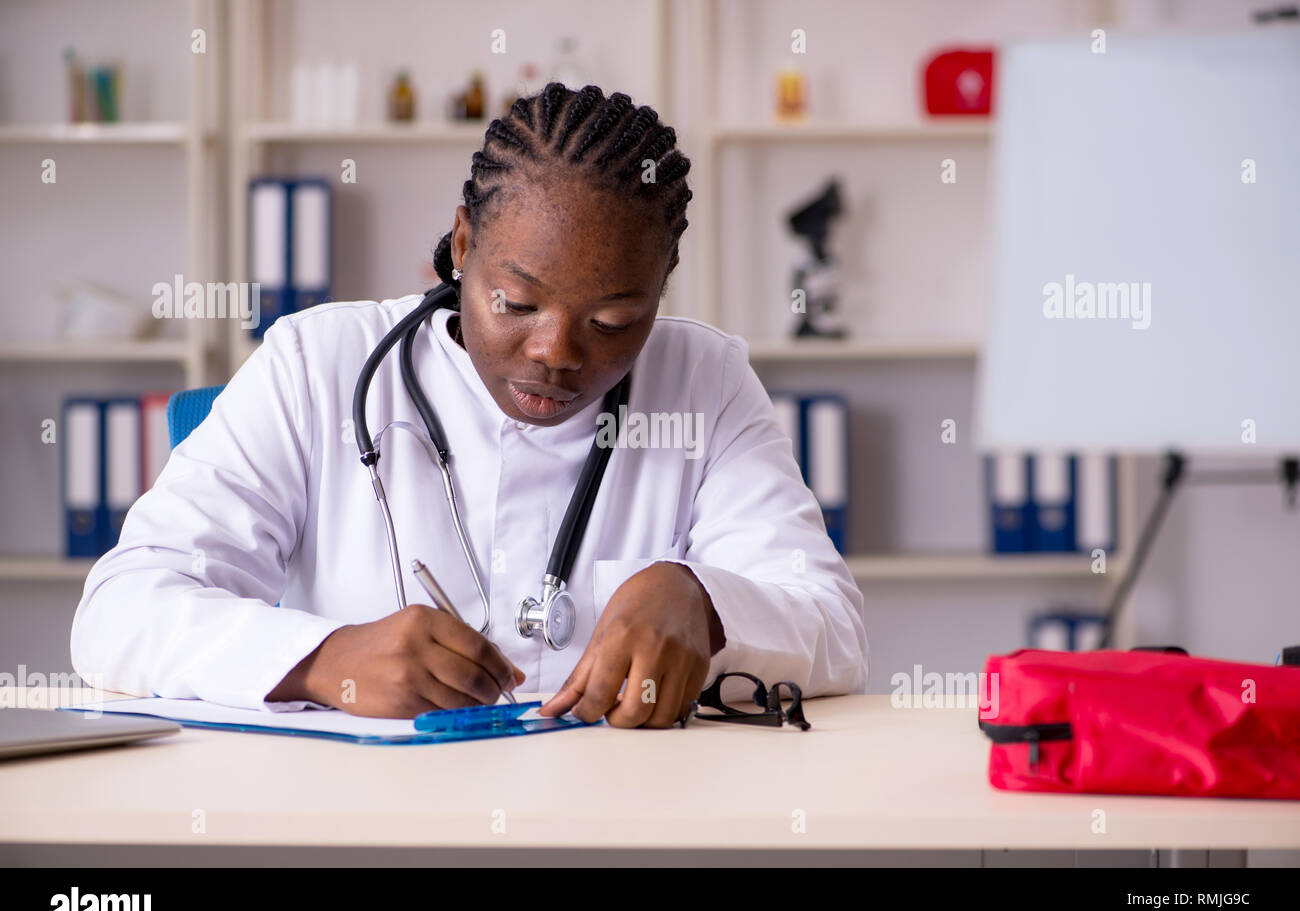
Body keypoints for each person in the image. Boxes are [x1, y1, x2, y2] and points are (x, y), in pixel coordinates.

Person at [71, 83, 868, 729]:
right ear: (460, 245)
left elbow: (833, 626)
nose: (556, 351)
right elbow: (118, 613)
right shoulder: (315, 363)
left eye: (613, 322)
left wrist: (705, 601)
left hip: (617, 826)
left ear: (661, 289)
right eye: (516, 303)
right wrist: (325, 658)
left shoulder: (706, 379)